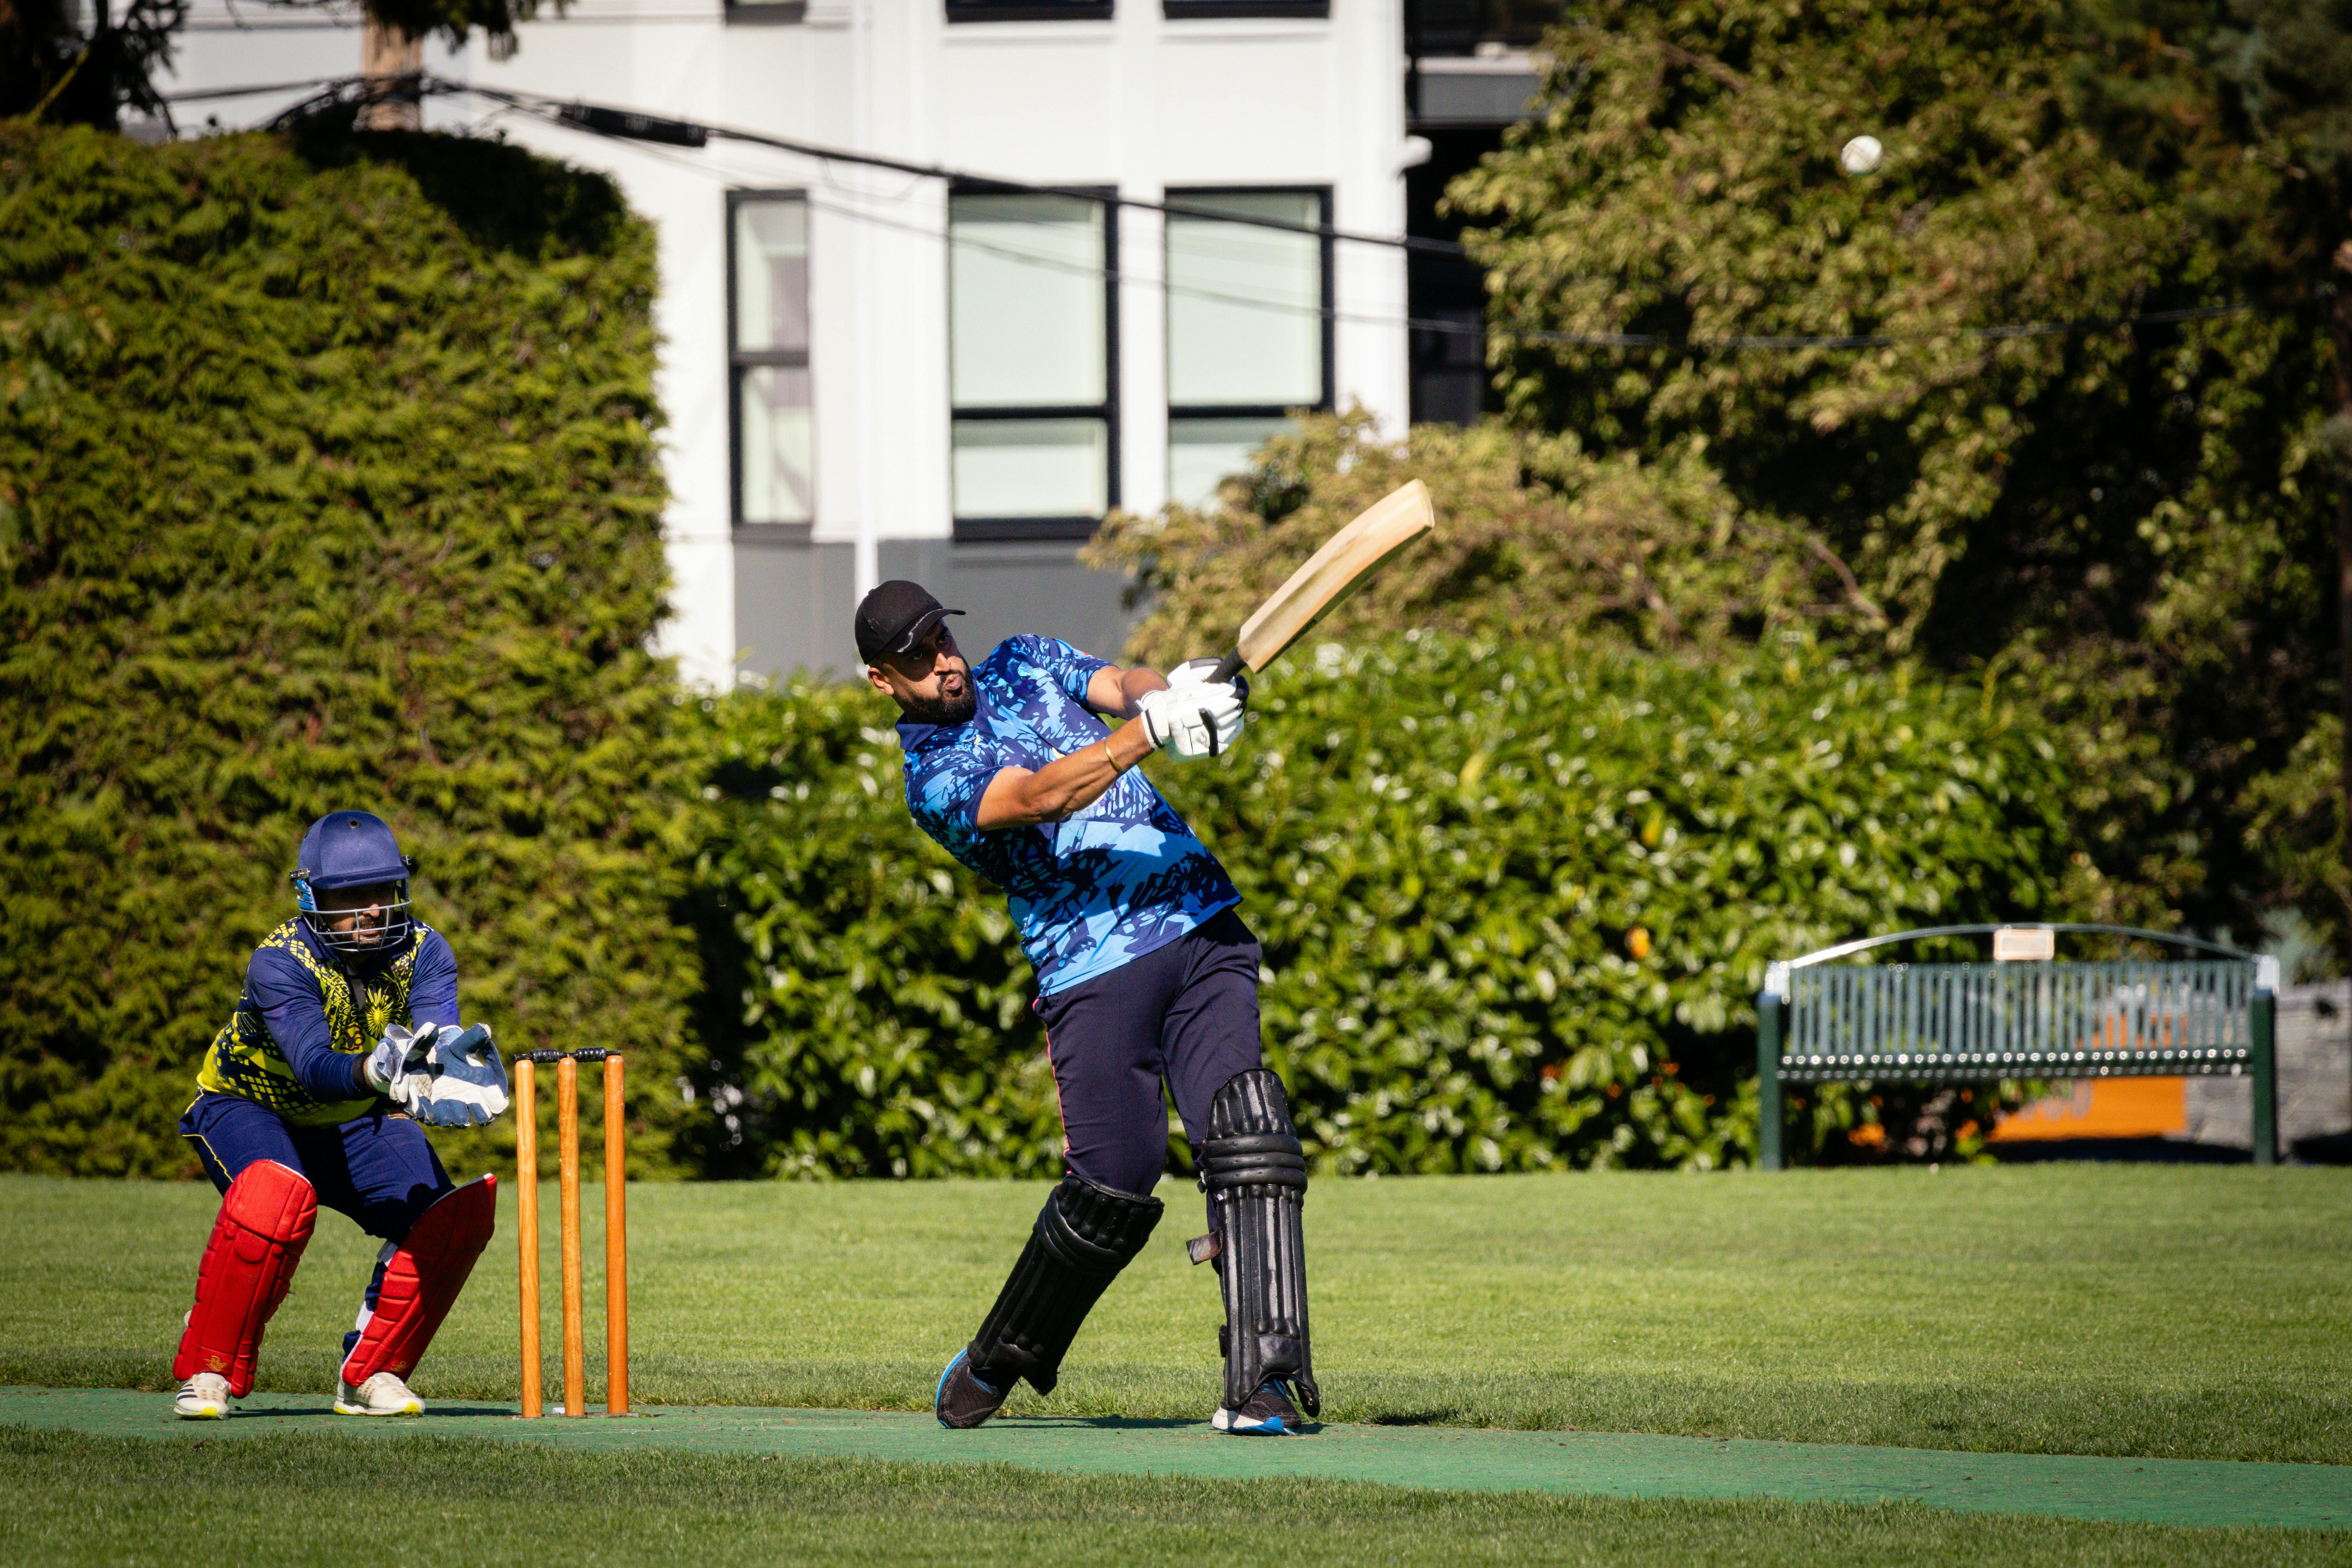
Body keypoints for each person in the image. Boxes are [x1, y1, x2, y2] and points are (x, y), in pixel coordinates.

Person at [857, 579, 1319, 1437]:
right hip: (1092, 967)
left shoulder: (1026, 659)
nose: (944, 663)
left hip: (1199, 920)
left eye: (943, 641)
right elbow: (1039, 795)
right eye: (918, 658)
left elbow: (1119, 682)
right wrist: (1150, 734)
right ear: (885, 680)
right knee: (1115, 1180)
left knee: (1247, 1136)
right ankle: (1001, 1353)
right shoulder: (932, 777)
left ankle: (1265, 1382)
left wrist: (1173, 694)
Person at [170, 809, 510, 1420]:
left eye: (383, 891)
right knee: (273, 1202)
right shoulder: (280, 962)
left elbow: (435, 1036)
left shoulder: (426, 950)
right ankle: (208, 1372)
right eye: (353, 896)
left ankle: (374, 1371)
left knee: (448, 1221)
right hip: (248, 1104)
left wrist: (446, 1071)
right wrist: (379, 1072)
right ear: (312, 896)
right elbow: (313, 1068)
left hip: (355, 1120)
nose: (373, 909)